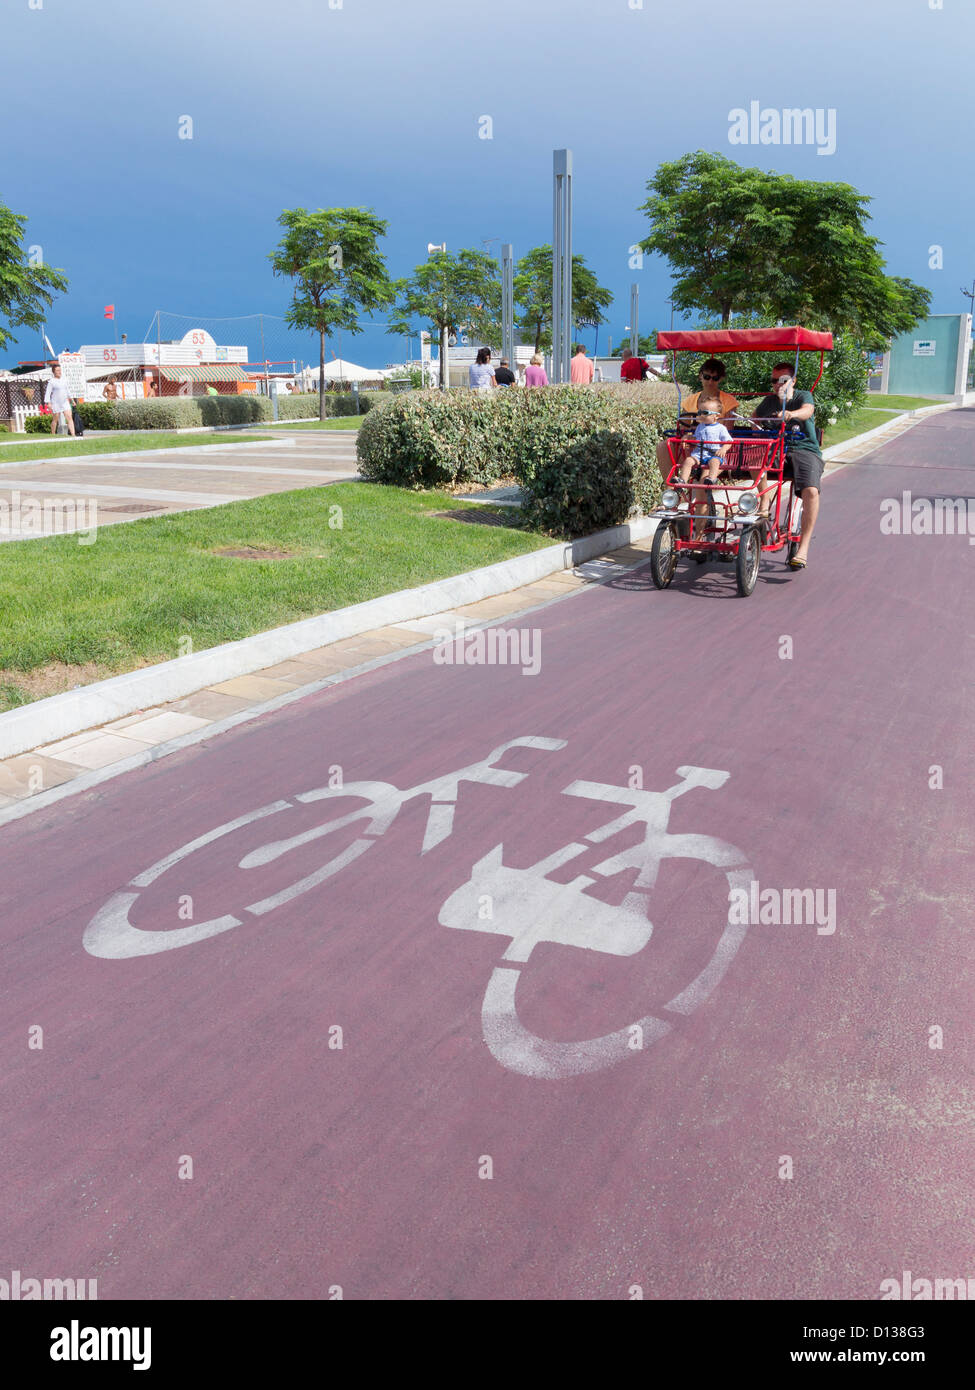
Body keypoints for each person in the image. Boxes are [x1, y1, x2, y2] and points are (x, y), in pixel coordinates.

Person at [751, 361, 822, 569]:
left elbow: (808, 410)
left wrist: (791, 414)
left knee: (811, 490)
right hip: (776, 446)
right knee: (754, 453)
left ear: (793, 380)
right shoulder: (769, 401)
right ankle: (764, 501)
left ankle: (804, 548)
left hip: (804, 448)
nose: (777, 385)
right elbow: (755, 418)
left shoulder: (802, 396)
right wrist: (756, 428)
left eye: (782, 380)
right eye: (774, 380)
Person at [656, 359, 738, 482]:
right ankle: (672, 491)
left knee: (705, 476)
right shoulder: (690, 401)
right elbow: (684, 431)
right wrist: (687, 437)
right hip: (694, 449)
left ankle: (701, 495)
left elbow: (728, 433)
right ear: (701, 376)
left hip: (716, 452)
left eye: (715, 378)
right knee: (663, 446)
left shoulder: (729, 402)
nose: (710, 381)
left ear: (720, 379)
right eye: (707, 377)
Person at [678, 406, 733, 486]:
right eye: (700, 412)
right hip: (699, 455)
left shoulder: (721, 428)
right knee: (688, 461)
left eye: (705, 413)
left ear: (716, 416)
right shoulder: (699, 427)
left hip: (714, 455)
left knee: (714, 462)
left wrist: (723, 449)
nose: (701, 415)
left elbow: (729, 441)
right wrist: (688, 438)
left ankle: (711, 479)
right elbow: (696, 438)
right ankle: (682, 480)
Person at [44, 362, 76, 437]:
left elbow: (68, 391)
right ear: (54, 372)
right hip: (56, 403)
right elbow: (48, 393)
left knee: (69, 417)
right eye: (57, 370)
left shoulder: (64, 380)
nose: (59, 372)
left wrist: (72, 400)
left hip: (65, 402)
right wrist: (48, 403)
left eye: (60, 370)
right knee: (55, 419)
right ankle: (53, 434)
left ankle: (73, 434)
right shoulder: (51, 381)